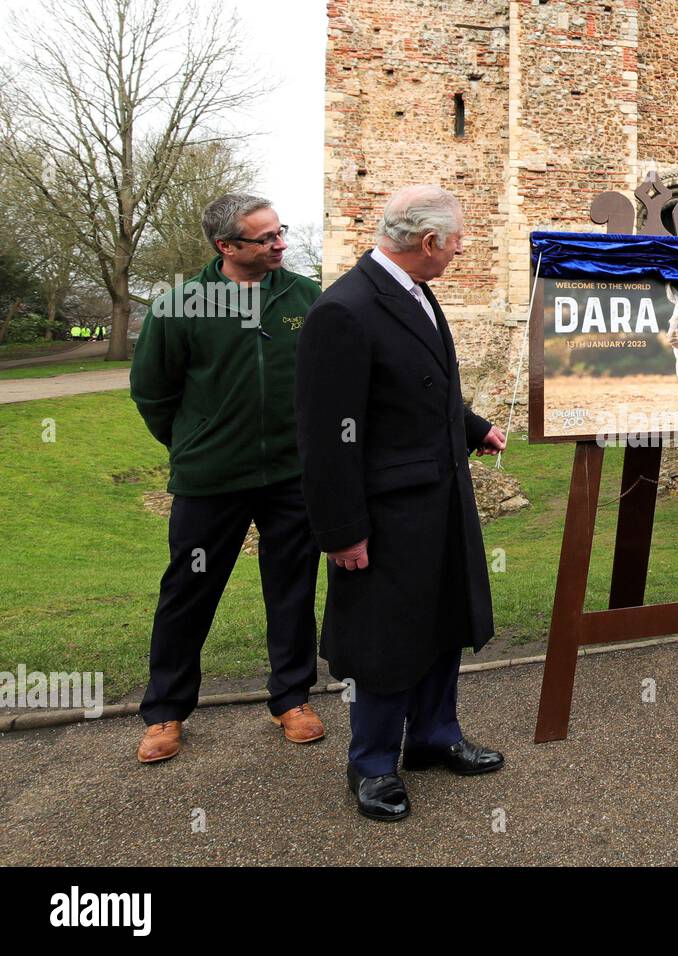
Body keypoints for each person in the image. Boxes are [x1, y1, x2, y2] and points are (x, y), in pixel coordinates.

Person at [296, 184, 507, 823]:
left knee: (441, 620)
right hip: (386, 511)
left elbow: (423, 388)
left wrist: (473, 429)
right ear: (426, 242)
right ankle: (374, 763)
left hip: (440, 496)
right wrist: (340, 531)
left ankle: (436, 735)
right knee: (387, 638)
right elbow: (325, 435)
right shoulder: (346, 309)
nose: (461, 249)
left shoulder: (413, 290)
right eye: (457, 240)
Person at [129, 194, 324, 763]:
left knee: (291, 587)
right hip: (210, 478)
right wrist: (195, 443)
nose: (280, 244)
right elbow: (152, 391)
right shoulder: (182, 305)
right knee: (188, 591)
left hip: (290, 475)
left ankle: (291, 698)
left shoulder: (304, 296)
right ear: (227, 246)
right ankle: (165, 711)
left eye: (280, 232)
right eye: (266, 238)